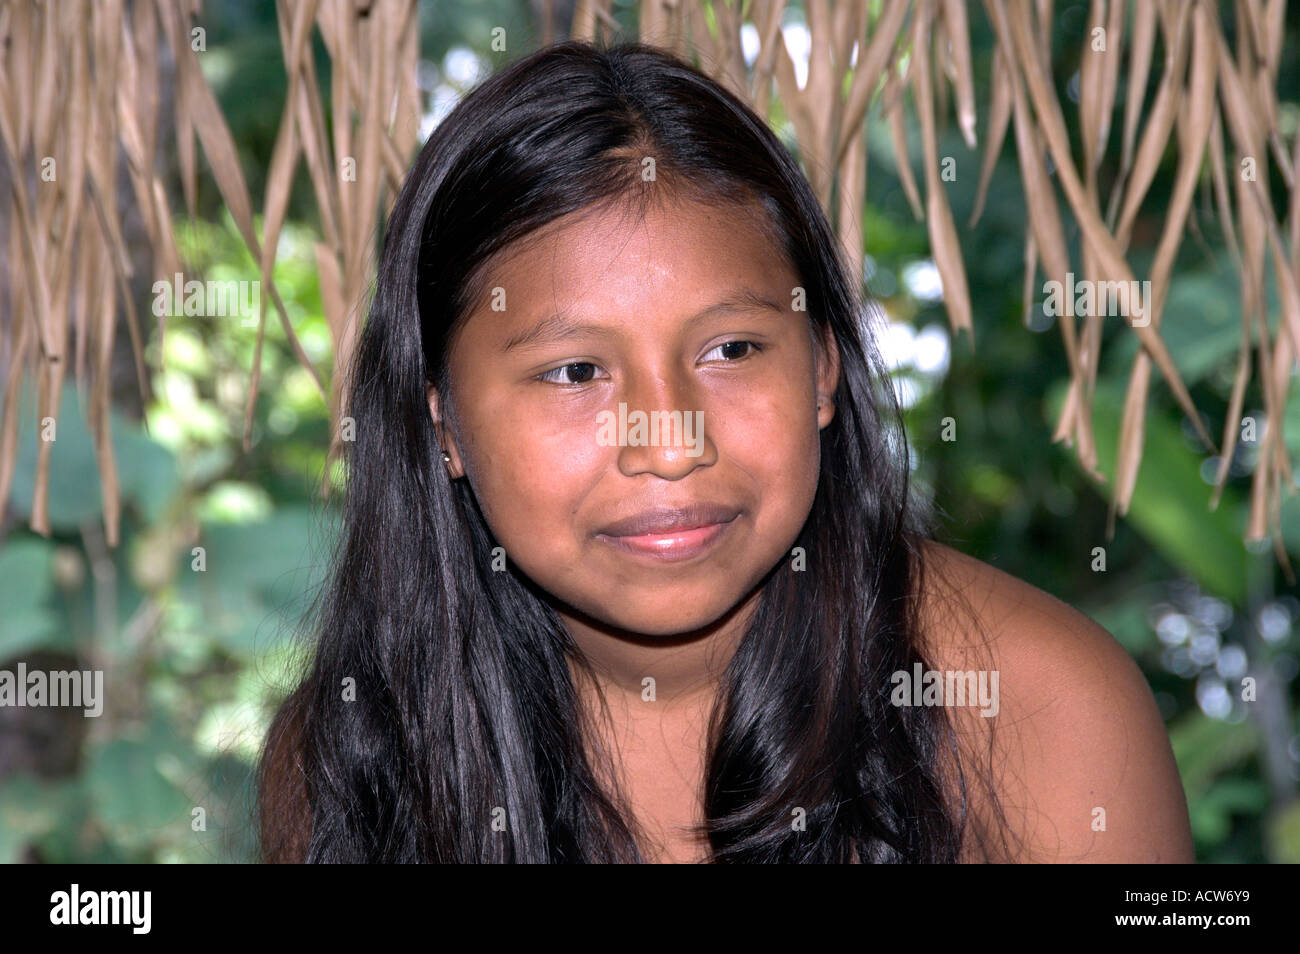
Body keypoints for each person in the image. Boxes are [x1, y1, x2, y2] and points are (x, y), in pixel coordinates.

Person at [257, 39, 1194, 863]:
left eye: (732, 351)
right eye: (576, 370)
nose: (669, 445)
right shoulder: (347, 756)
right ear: (445, 423)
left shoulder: (1041, 709)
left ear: (825, 369)